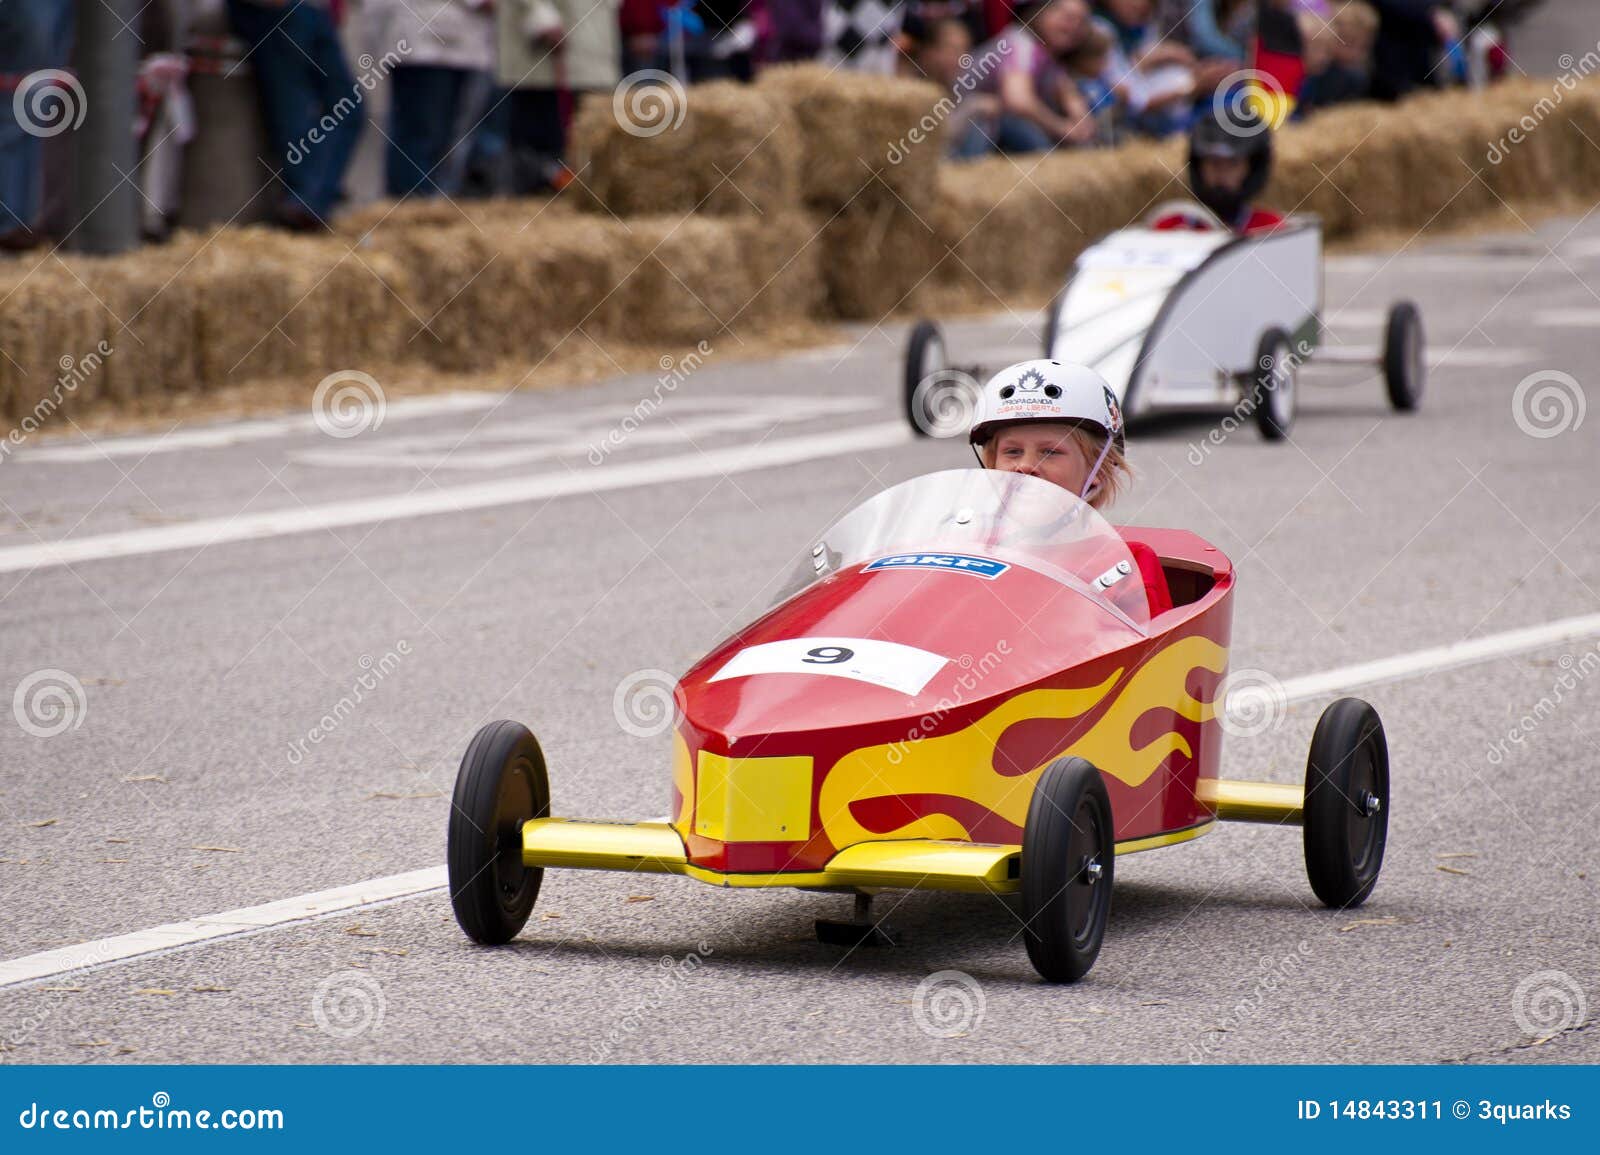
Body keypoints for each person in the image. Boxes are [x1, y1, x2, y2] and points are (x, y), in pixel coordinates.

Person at [967, 359, 1174, 616]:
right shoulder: (965, 552)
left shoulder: (1127, 566)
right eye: (1012, 451)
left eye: (1050, 452)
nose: (1026, 466)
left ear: (1098, 470)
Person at [226, 0, 362, 230]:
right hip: (279, 11)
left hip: (310, 11)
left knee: (339, 107)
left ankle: (309, 198)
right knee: (294, 112)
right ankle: (305, 200)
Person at [957, 0, 1095, 156]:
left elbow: (1068, 93)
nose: (1073, 26)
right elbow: (1017, 100)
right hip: (961, 123)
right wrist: (1061, 128)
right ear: (1040, 13)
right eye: (1067, 17)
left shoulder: (1050, 54)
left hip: (993, 123)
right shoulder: (1019, 42)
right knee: (1019, 126)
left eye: (1081, 21)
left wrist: (1082, 122)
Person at [1154, 101, 1283, 233]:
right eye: (1214, 162)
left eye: (1233, 163)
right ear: (1199, 167)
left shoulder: (1269, 227)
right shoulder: (1172, 226)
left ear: (1250, 168)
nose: (1222, 172)